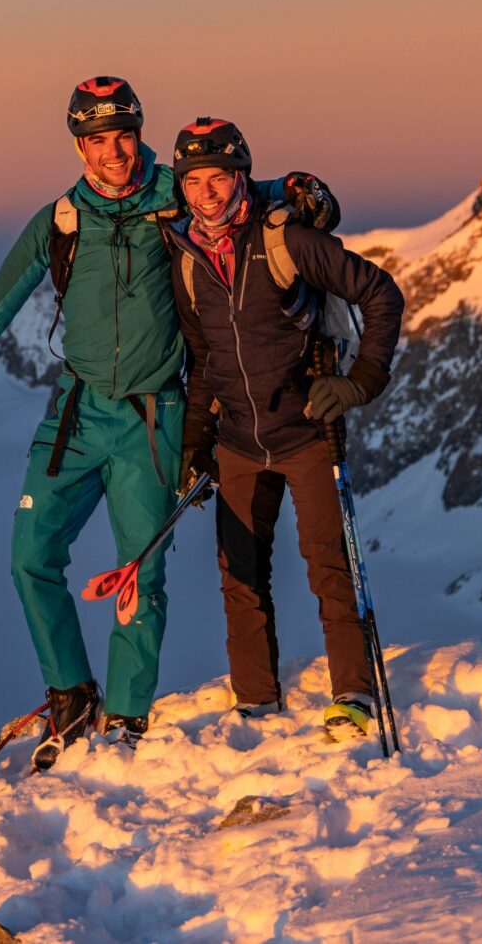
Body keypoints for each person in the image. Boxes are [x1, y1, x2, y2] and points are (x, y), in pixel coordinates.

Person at [0, 78, 340, 769]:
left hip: (155, 415)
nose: (115, 151)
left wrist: (303, 192)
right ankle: (70, 693)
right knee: (29, 557)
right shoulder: (58, 222)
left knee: (138, 576)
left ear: (139, 133)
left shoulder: (173, 194)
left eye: (124, 135)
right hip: (77, 410)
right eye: (99, 140)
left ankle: (125, 716)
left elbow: (238, 187)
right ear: (79, 146)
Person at [160, 117, 405, 740]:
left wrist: (361, 382)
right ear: (182, 187)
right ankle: (256, 703)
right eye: (195, 181)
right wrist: (195, 444)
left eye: (220, 177)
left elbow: (380, 293)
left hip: (304, 435)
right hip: (238, 442)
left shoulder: (286, 240)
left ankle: (352, 694)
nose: (209, 193)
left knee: (328, 565)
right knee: (239, 576)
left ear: (243, 177)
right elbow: (205, 363)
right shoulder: (186, 259)